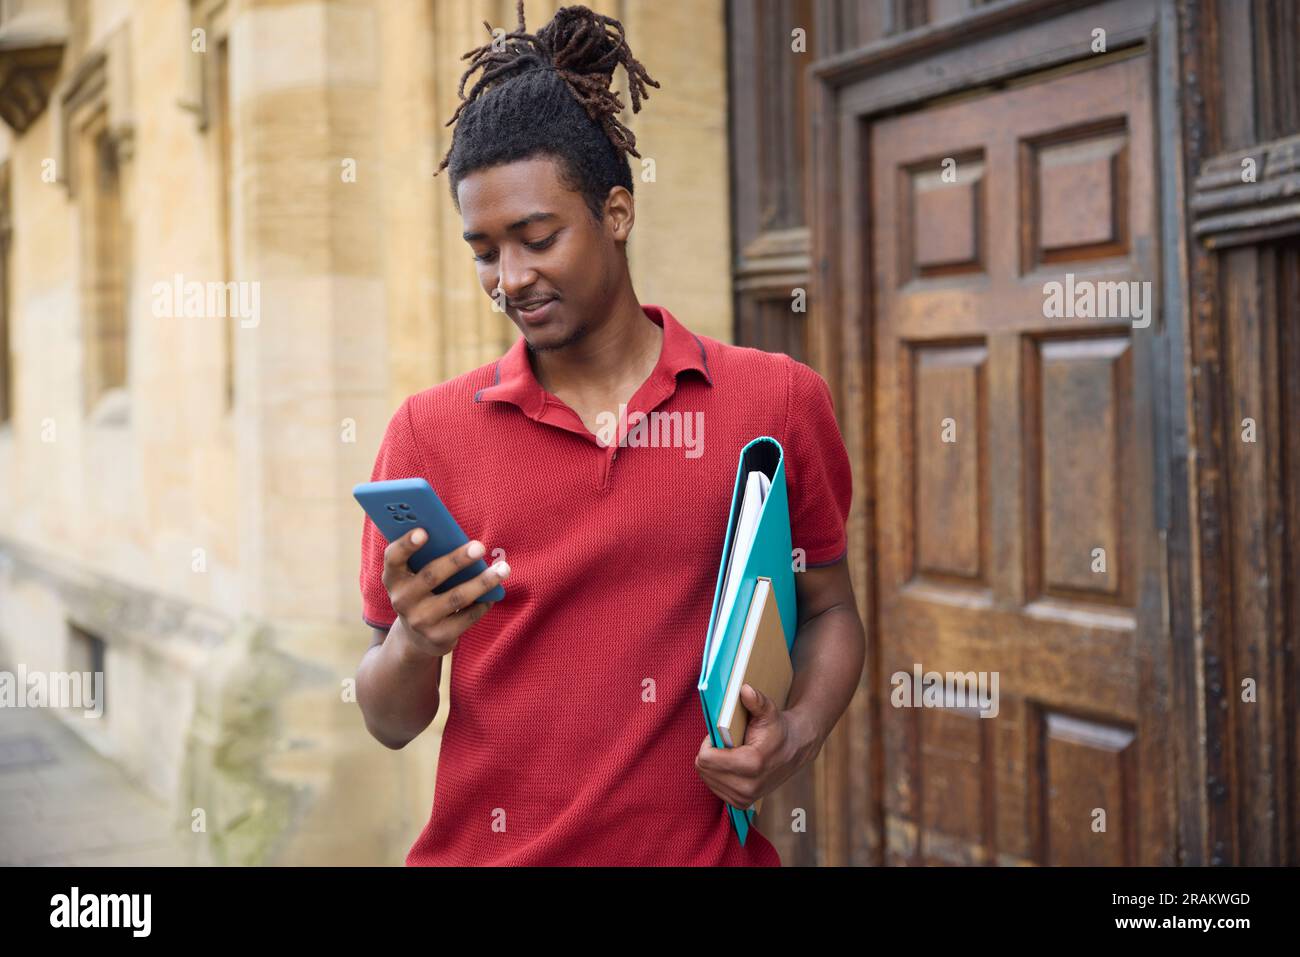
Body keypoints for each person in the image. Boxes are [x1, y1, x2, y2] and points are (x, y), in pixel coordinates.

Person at [355, 0, 864, 866]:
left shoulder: (772, 401)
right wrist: (415, 640)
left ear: (617, 213)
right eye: (484, 250)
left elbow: (832, 612)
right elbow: (390, 720)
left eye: (537, 236)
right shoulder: (428, 432)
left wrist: (800, 732)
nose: (510, 278)